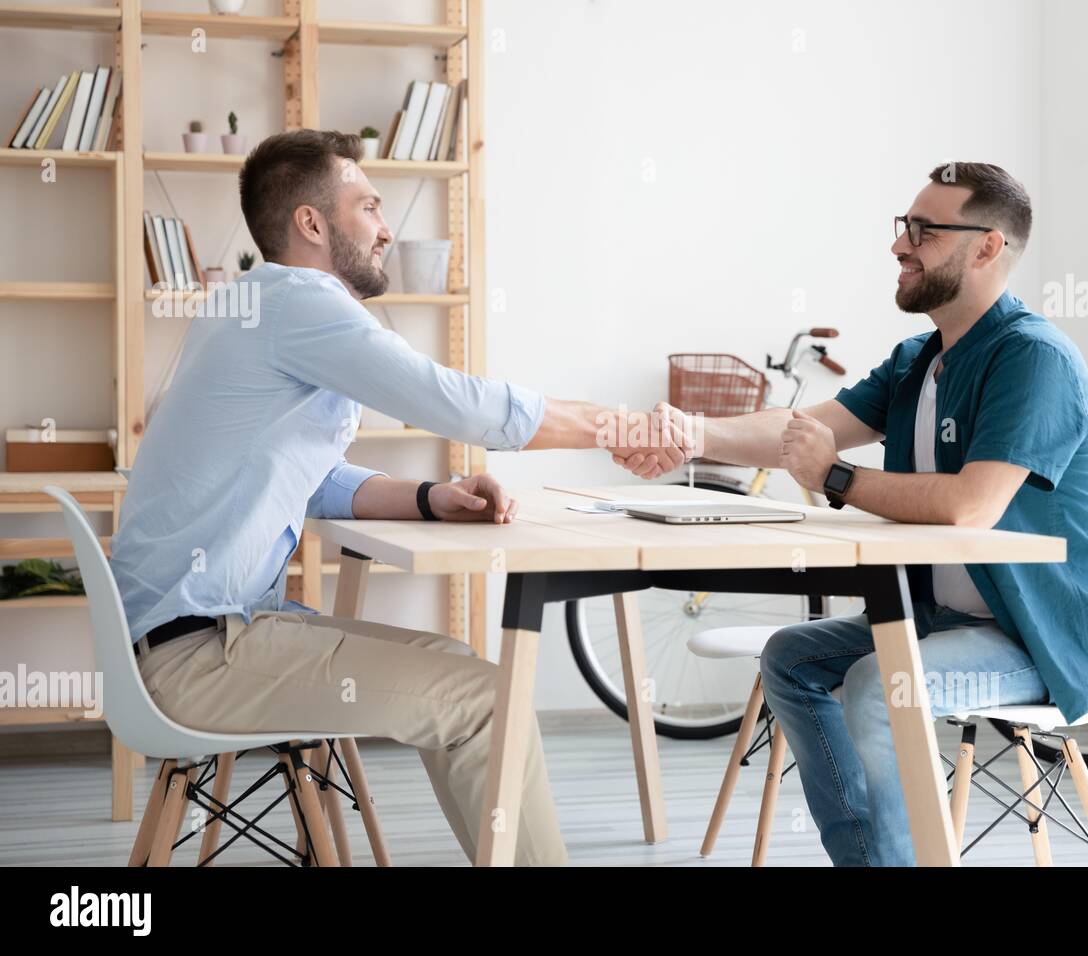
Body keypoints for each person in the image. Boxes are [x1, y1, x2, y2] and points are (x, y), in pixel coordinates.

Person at [112, 129, 688, 866]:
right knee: (487, 702)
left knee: (462, 668)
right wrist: (624, 425)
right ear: (312, 224)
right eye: (369, 207)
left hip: (184, 642)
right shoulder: (299, 302)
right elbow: (464, 406)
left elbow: (304, 476)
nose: (387, 229)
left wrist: (428, 497)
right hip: (200, 657)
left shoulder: (245, 306)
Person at [623, 163, 1088, 866]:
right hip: (936, 622)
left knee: (872, 684)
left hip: (1034, 642)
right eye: (903, 227)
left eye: (924, 231)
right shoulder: (919, 359)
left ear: (986, 247)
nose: (900, 246)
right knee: (790, 658)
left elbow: (969, 508)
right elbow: (802, 427)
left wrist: (835, 476)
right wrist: (693, 435)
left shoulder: (1033, 359)